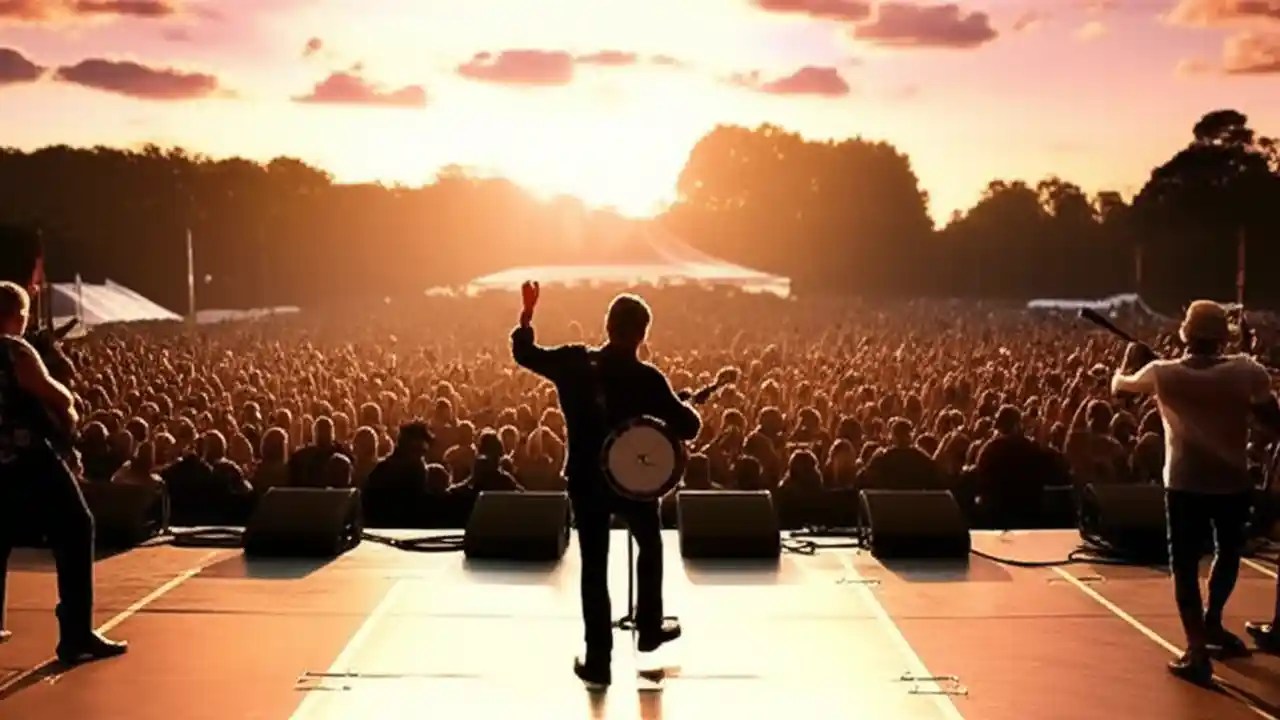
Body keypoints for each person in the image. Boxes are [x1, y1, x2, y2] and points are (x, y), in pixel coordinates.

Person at [510, 281, 700, 689]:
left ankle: (598, 660)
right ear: (642, 334)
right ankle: (649, 626)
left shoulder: (575, 364)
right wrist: (677, 406)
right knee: (650, 544)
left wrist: (527, 314)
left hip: (585, 478)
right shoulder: (648, 378)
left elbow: (524, 353)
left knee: (593, 568)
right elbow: (688, 427)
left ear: (607, 325)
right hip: (634, 484)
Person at [1111, 300, 1280, 683]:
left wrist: (1128, 359)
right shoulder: (1247, 371)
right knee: (1228, 553)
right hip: (1233, 480)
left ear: (1185, 333)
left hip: (1185, 483)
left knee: (1184, 566)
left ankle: (1197, 649)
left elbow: (1120, 388)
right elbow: (1271, 417)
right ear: (1224, 337)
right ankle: (1214, 621)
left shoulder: (1162, 373)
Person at [0, 281, 127, 663]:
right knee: (76, 526)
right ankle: (76, 633)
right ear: (18, 316)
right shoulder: (13, 349)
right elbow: (57, 395)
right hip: (25, 458)